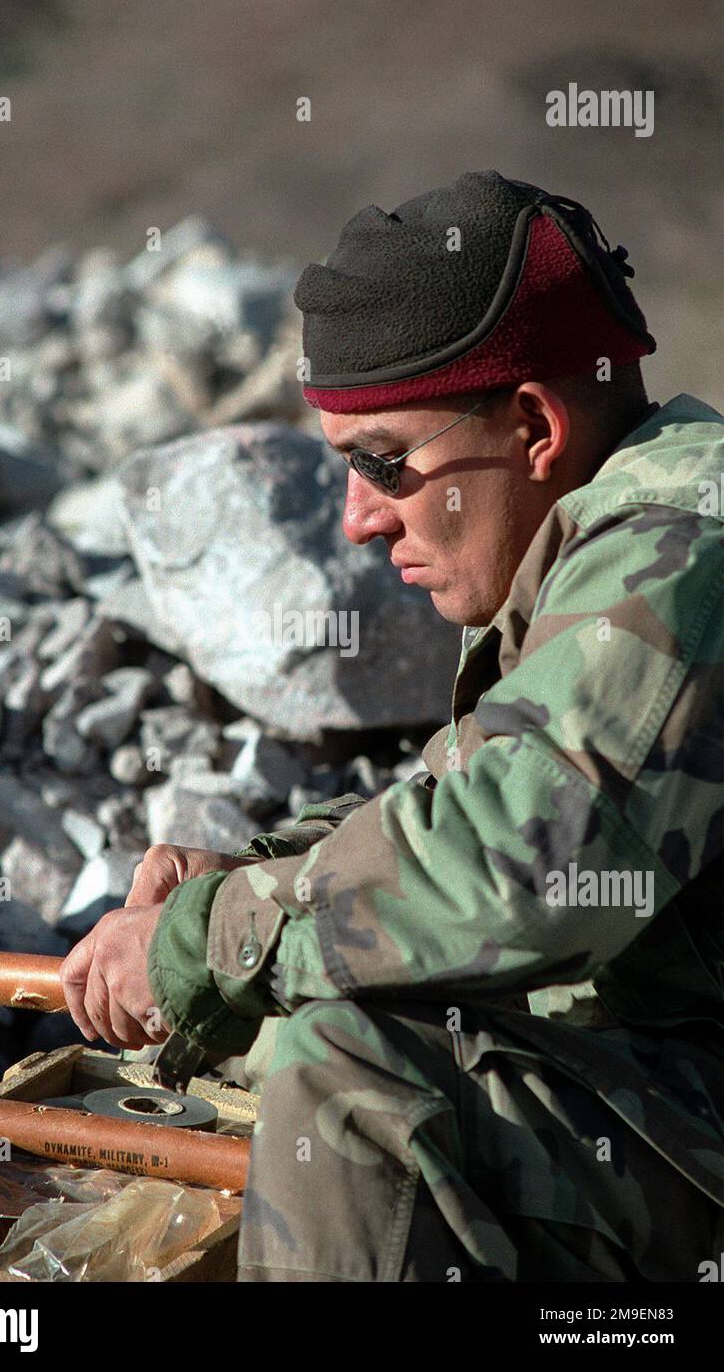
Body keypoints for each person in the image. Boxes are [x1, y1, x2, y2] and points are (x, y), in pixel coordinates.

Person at [60, 171, 723, 1282]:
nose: (361, 521)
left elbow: (517, 868)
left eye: (383, 464)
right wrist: (269, 873)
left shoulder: (679, 555)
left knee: (349, 1084)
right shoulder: (589, 536)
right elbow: (462, 796)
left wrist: (207, 940)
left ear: (533, 425)